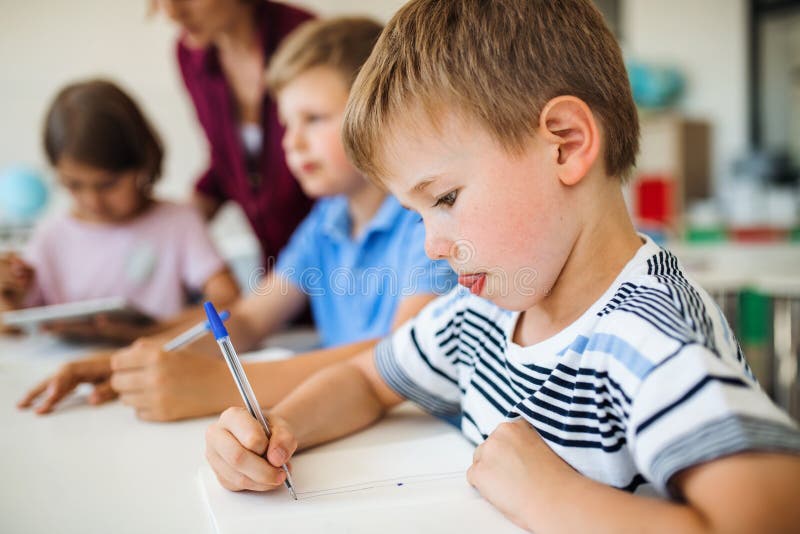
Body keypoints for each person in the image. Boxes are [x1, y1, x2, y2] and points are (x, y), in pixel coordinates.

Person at [204, 1, 800, 532]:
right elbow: (367, 380)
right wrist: (277, 429)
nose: (432, 245)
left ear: (564, 144)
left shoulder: (651, 340)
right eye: (417, 216)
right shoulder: (480, 312)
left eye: (443, 200)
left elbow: (769, 517)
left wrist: (549, 496)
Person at [18, 17, 455, 422]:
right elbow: (247, 320)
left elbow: (401, 355)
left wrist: (219, 385)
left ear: (377, 116)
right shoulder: (325, 222)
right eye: (286, 124)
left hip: (408, 429)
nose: (292, 143)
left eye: (313, 119)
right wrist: (131, 363)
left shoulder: (423, 221)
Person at [0, 79, 239, 343]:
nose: (92, 201)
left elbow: (229, 300)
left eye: (108, 184)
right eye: (73, 185)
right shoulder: (50, 236)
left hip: (155, 366)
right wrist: (7, 297)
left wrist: (151, 330)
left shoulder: (178, 223)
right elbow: (10, 327)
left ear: (142, 164)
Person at [158, 0, 315, 270]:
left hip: (332, 254)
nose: (172, 12)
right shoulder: (190, 55)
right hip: (276, 266)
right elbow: (226, 163)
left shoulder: (305, 39)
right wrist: (170, 228)